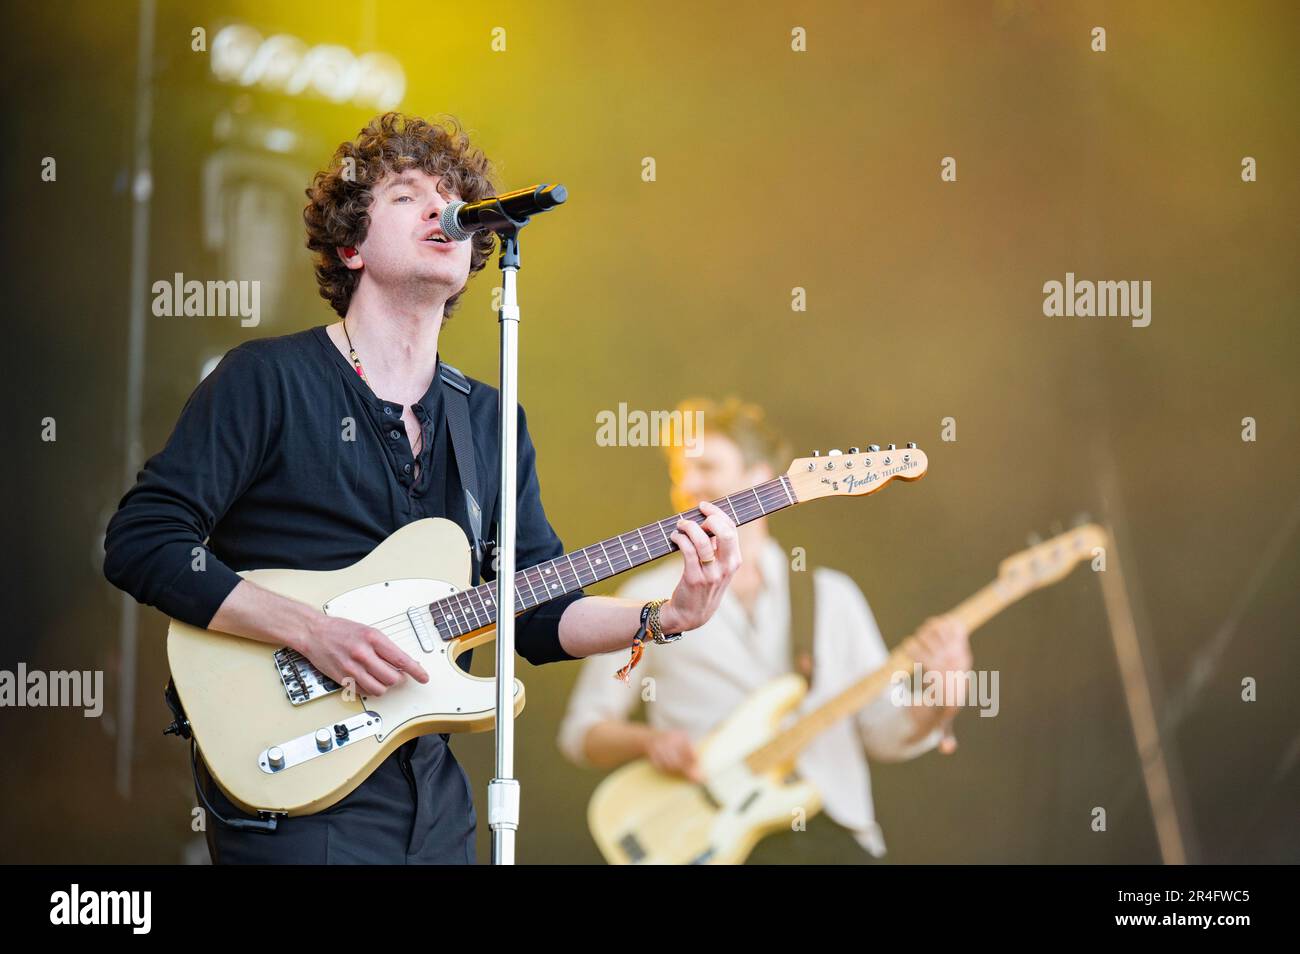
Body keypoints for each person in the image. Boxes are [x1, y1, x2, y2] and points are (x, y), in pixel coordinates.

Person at [102, 113, 740, 864]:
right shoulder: (267, 380)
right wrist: (310, 631)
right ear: (351, 245)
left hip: (432, 798)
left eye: (452, 195)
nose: (441, 207)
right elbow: (144, 541)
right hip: (298, 776)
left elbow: (532, 613)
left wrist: (663, 615)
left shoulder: (491, 419)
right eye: (408, 194)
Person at [557, 397, 972, 863]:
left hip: (832, 833)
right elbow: (583, 732)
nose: (687, 485)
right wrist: (649, 742)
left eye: (705, 466)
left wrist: (940, 701)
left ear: (758, 477)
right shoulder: (646, 592)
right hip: (713, 842)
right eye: (679, 472)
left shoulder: (833, 596)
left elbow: (881, 733)